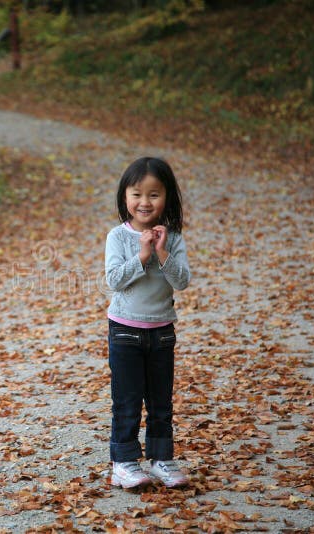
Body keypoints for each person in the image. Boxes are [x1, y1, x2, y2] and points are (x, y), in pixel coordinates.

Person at [104, 156, 191, 489]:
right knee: (127, 401)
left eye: (154, 194)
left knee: (160, 402)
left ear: (167, 197)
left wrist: (162, 252)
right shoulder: (118, 237)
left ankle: (161, 459)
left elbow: (182, 281)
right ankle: (123, 463)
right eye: (137, 194)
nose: (145, 202)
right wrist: (142, 256)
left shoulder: (174, 238)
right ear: (124, 197)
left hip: (161, 332)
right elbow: (114, 280)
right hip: (125, 330)